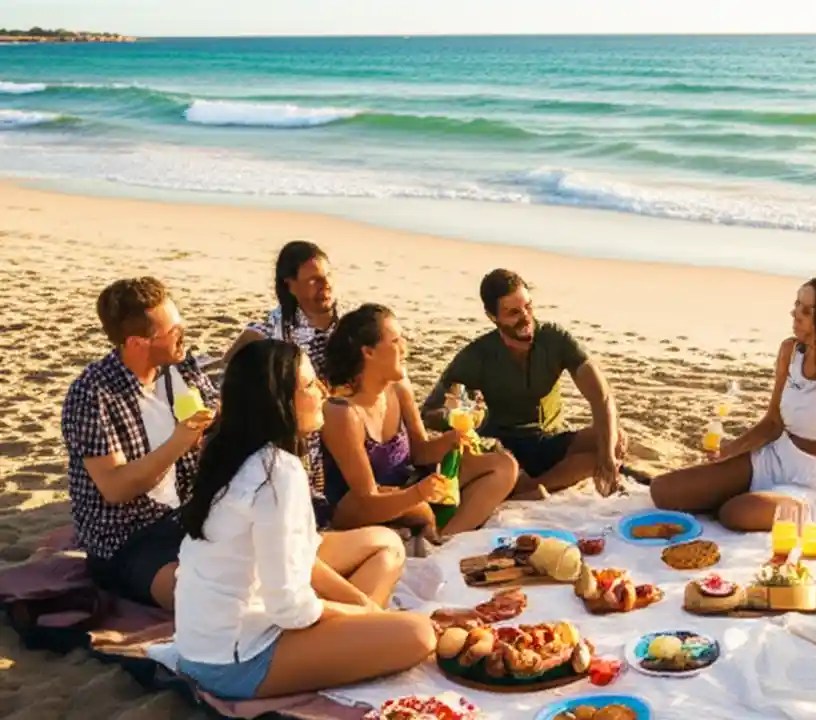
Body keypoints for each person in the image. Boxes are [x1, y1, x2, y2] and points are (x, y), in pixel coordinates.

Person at [174, 338, 436, 701]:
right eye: (311, 384)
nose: (323, 391)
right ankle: (352, 642)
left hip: (205, 640)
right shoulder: (276, 471)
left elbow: (299, 556)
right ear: (281, 400)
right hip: (235, 659)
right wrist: (358, 615)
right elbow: (289, 607)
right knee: (419, 634)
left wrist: (364, 608)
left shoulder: (235, 449)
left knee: (387, 545)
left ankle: (354, 638)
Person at [649, 275, 816, 537]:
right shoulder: (789, 351)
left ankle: (800, 508)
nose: (795, 314)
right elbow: (772, 423)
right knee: (664, 491)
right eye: (795, 305)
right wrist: (728, 452)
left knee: (734, 513)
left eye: (806, 310)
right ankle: (756, 495)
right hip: (777, 457)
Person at [61, 277, 217, 610]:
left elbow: (218, 428)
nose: (183, 333)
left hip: (187, 514)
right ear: (136, 343)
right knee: (200, 597)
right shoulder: (93, 393)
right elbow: (115, 487)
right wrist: (179, 442)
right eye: (172, 330)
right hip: (127, 538)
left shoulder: (182, 369)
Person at [421, 269, 626, 499]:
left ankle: (531, 487)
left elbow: (602, 397)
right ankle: (526, 486)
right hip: (504, 447)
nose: (526, 317)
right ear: (492, 316)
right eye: (513, 312)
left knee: (614, 439)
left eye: (528, 306)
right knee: (497, 461)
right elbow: (428, 412)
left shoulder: (554, 338)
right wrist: (459, 416)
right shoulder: (476, 356)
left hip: (550, 440)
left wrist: (607, 455)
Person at [321, 303, 517, 537]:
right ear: (368, 352)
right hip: (364, 506)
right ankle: (426, 523)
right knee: (411, 506)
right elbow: (365, 497)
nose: (405, 347)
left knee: (503, 465)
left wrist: (452, 439)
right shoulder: (342, 412)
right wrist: (417, 496)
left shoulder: (398, 387)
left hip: (408, 487)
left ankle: (445, 537)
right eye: (395, 341)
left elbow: (420, 452)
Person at [221, 241, 337, 508]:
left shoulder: (348, 328)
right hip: (289, 443)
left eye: (328, 276)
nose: (326, 285)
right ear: (290, 285)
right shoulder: (265, 334)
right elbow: (227, 383)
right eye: (314, 280)